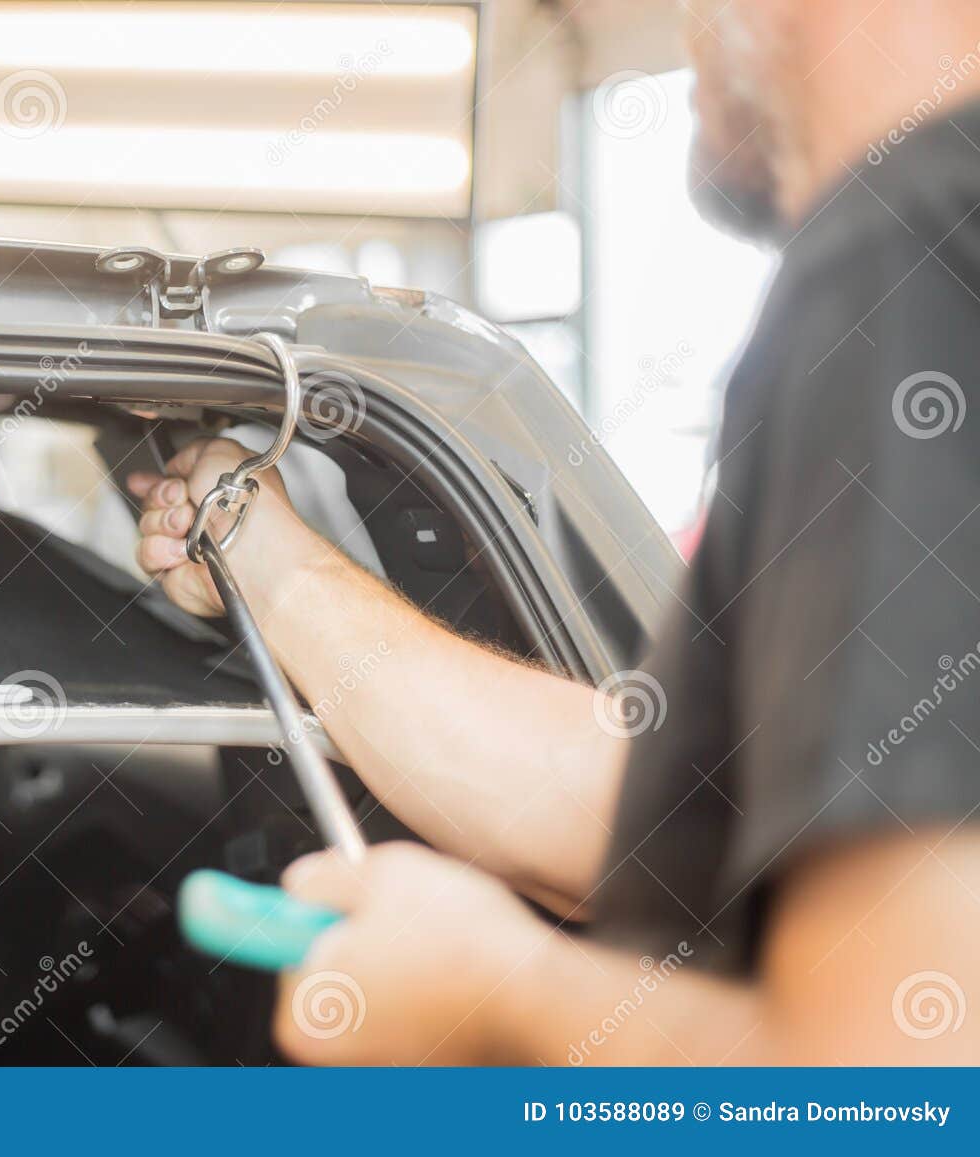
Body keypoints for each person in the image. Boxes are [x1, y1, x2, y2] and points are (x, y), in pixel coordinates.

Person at [127, 0, 980, 1065]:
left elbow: (899, 1086)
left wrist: (494, 993)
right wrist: (251, 536)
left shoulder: (908, 253)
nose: (685, 34)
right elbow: (654, 811)